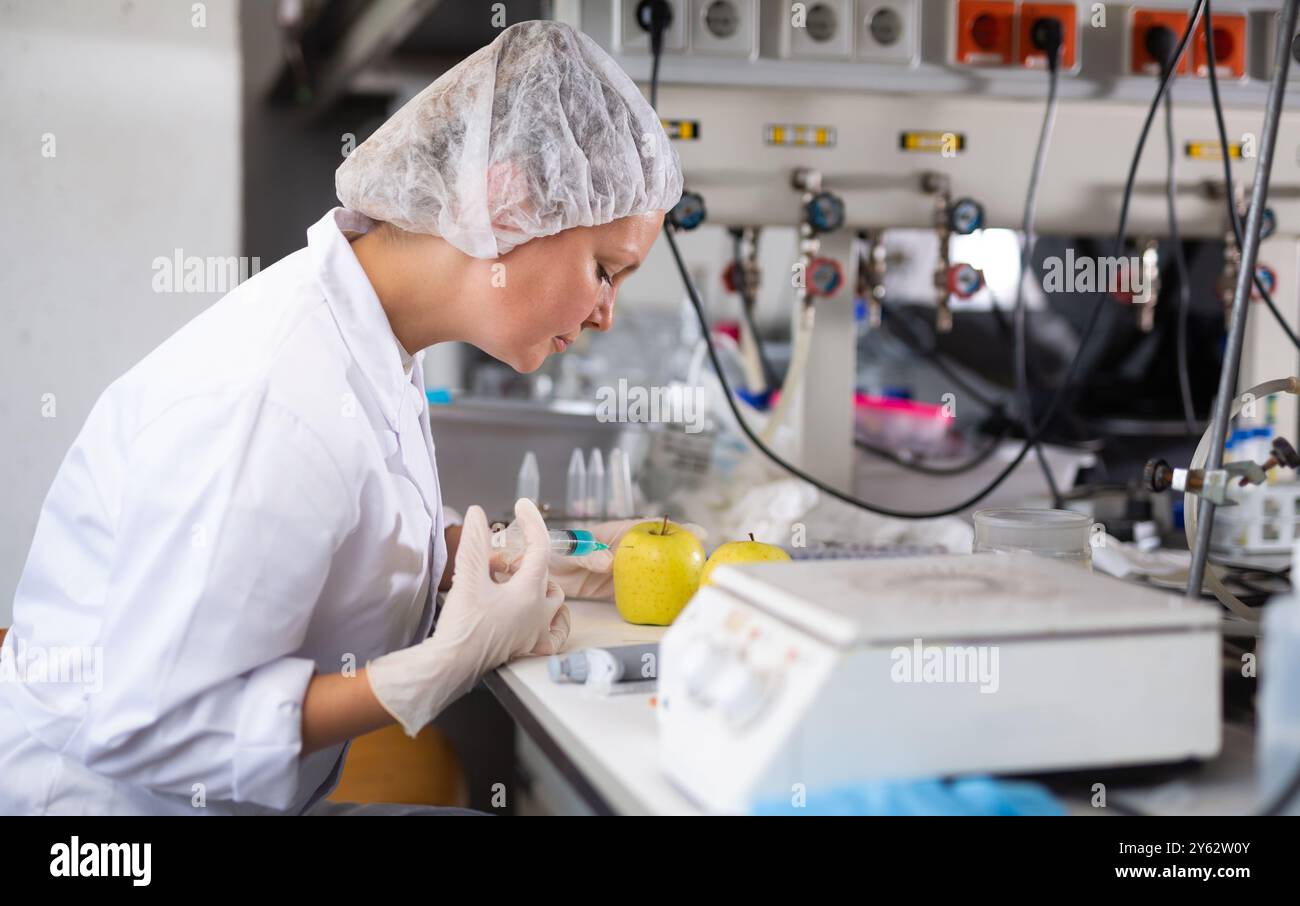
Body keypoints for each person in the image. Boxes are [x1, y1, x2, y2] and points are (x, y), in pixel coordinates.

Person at [0, 20, 682, 815]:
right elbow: (146, 725)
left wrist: (473, 567)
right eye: (605, 270)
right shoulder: (272, 398)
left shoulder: (374, 337)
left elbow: (314, 560)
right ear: (511, 202)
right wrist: (427, 673)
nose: (606, 315)